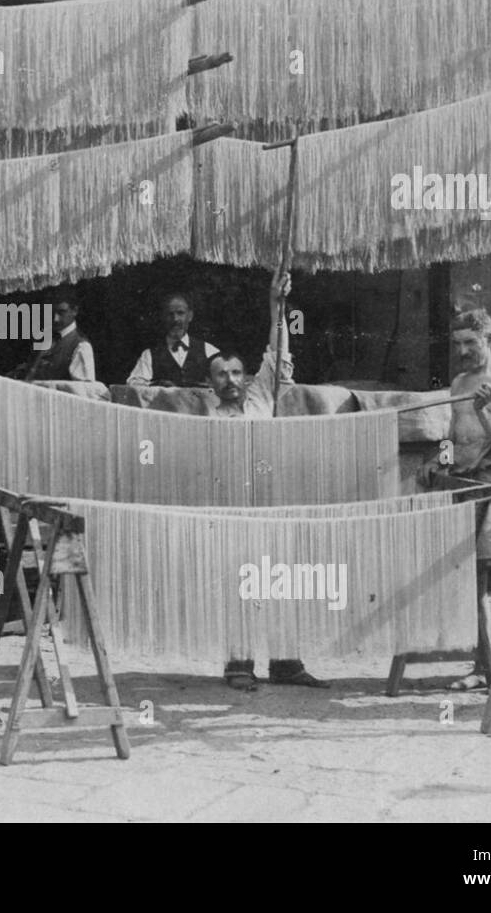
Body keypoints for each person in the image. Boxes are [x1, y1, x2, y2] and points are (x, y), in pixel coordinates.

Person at [210, 268, 329, 691]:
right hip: (233, 510)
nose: (230, 381)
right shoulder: (208, 419)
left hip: (272, 503)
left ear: (246, 377)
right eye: (221, 375)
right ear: (212, 382)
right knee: (241, 583)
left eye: (236, 373)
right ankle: (238, 664)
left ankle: (285, 663)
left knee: (281, 578)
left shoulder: (261, 397)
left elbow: (277, 355)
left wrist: (275, 305)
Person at [421, 309, 491, 692]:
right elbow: (452, 437)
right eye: (458, 344)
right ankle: (483, 665)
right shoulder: (459, 382)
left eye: (471, 342)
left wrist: (484, 412)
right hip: (467, 484)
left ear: (490, 340)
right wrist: (438, 458)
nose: (463, 350)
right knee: (472, 581)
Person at [126, 291, 218, 387]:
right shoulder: (149, 355)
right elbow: (133, 385)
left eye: (180, 313)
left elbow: (222, 382)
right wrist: (157, 385)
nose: (175, 319)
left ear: (190, 316)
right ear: (163, 317)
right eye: (170, 314)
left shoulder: (209, 351)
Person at [14, 287, 96, 382]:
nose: (55, 319)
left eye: (61, 312)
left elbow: (84, 389)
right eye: (51, 312)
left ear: (75, 311)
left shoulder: (81, 346)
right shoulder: (44, 337)